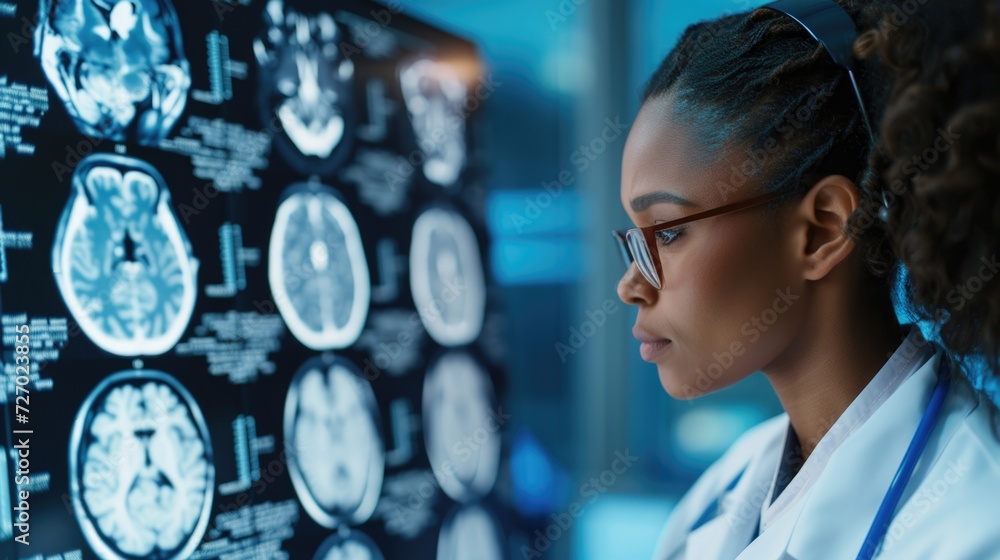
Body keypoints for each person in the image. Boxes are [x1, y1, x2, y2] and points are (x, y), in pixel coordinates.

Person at [611, 0, 1000, 558]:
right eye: (634, 236)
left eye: (666, 233)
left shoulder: (978, 524)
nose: (630, 285)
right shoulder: (728, 486)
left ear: (821, 231)